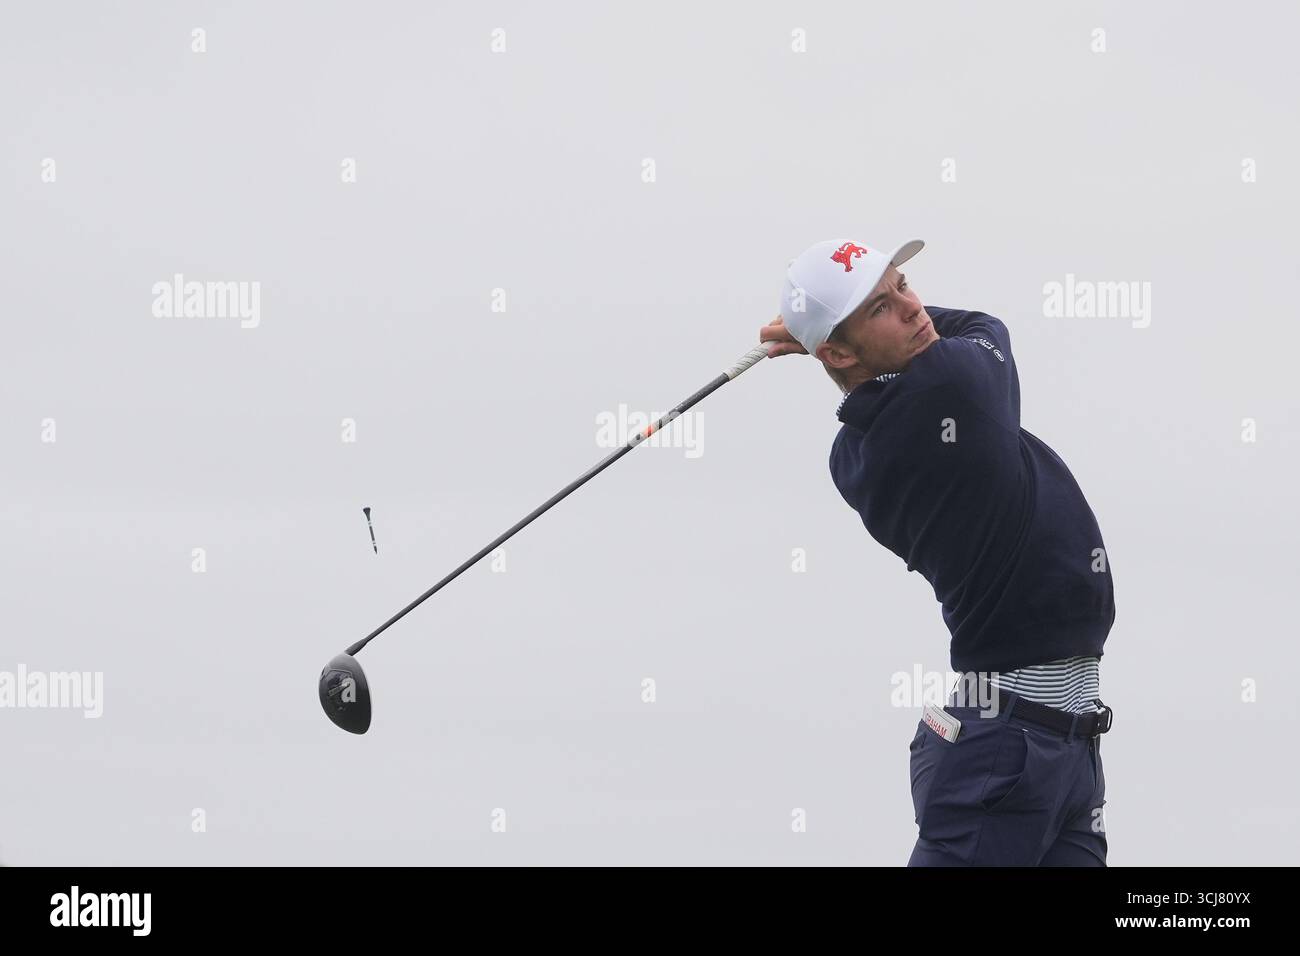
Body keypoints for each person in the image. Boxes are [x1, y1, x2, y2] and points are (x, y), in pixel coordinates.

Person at [761, 238, 1116, 866]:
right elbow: (985, 327)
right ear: (839, 350)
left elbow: (897, 363)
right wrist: (813, 337)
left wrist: (829, 339)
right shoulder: (953, 386)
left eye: (903, 285)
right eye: (880, 307)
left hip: (1057, 746)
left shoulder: (854, 454)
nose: (913, 307)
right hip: (1006, 752)